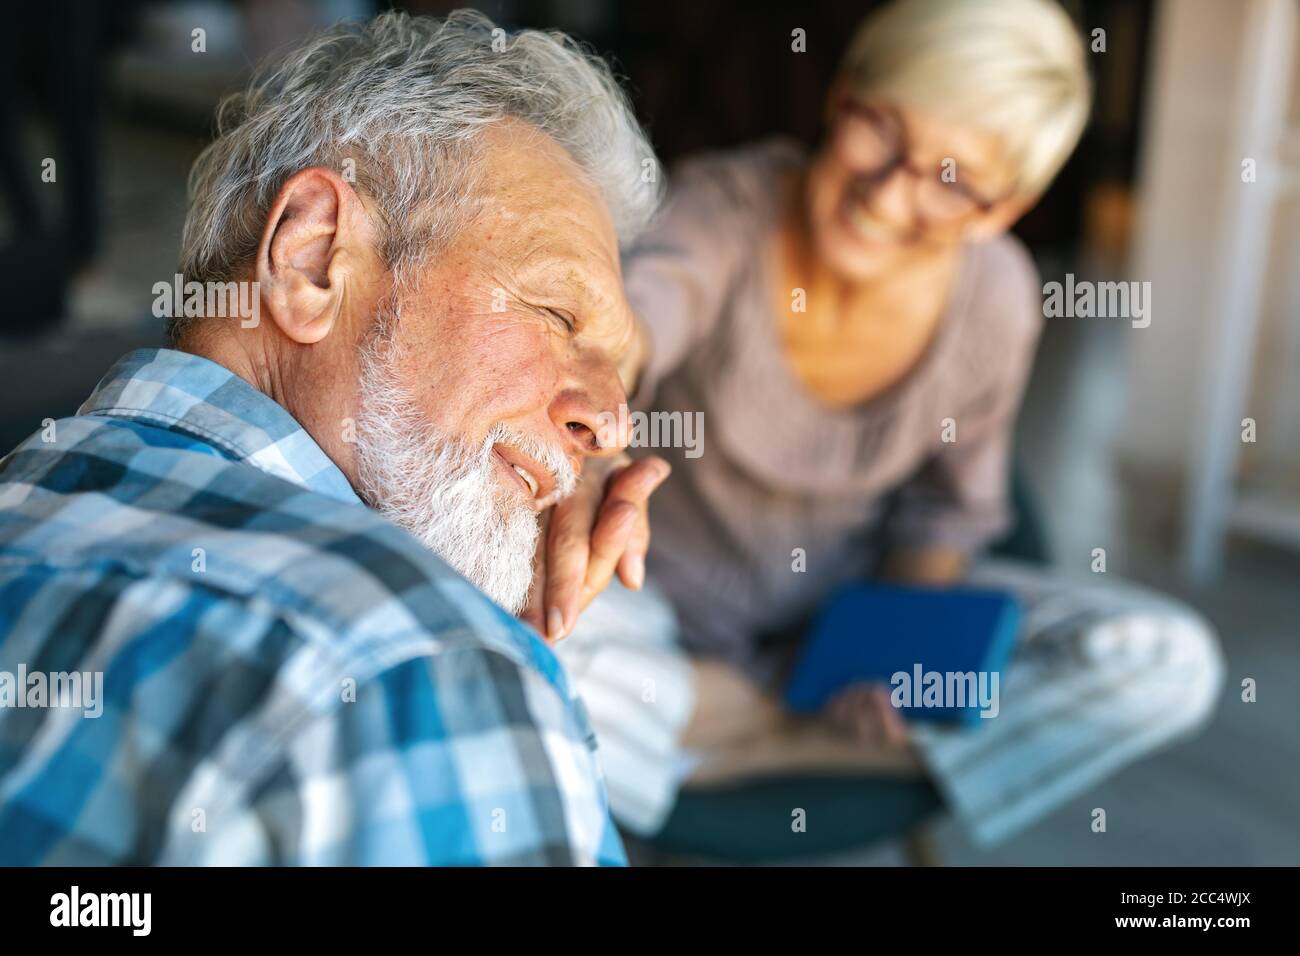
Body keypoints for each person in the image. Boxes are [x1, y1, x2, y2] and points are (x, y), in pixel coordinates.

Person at [547, 0, 1225, 844]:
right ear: (842, 95)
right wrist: (605, 372)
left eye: (952, 178)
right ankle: (778, 733)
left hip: (845, 610)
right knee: (523, 641)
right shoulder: (725, 207)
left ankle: (737, 737)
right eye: (882, 129)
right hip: (658, 613)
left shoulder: (999, 298)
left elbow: (946, 513)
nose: (890, 192)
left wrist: (888, 660)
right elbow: (640, 319)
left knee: (1165, 662)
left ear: (1000, 209)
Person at [0, 10, 665, 866]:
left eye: (618, 375)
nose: (612, 422)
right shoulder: (421, 684)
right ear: (311, 259)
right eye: (556, 313)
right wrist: (483, 666)